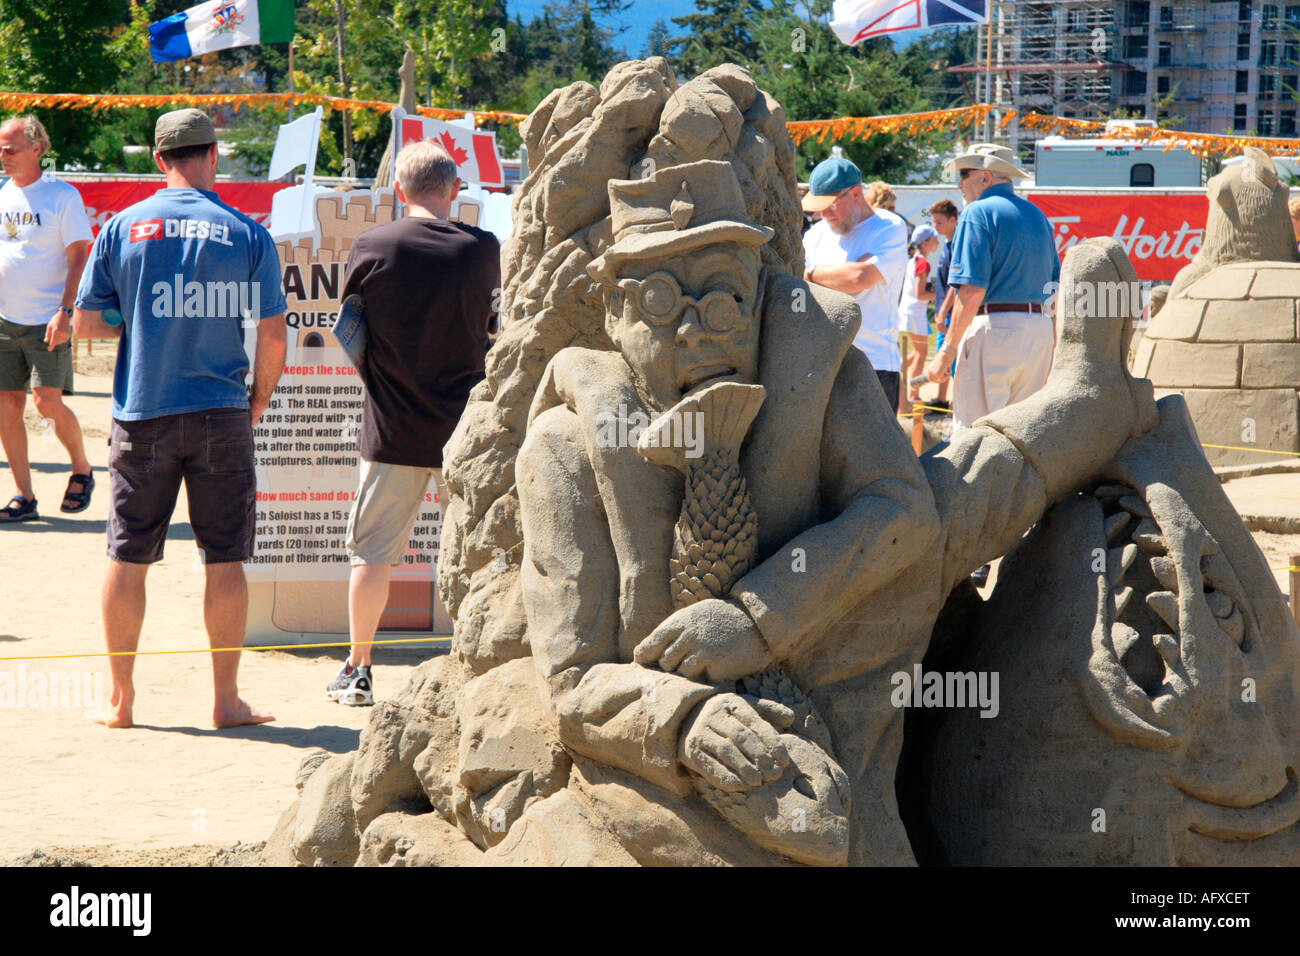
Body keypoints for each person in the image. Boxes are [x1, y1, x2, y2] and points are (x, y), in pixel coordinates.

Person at [72, 108, 288, 728]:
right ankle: (225, 701)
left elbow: (87, 323)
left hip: (143, 410)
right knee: (223, 558)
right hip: (222, 411)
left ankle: (121, 701)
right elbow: (273, 337)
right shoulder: (247, 232)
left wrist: (135, 317)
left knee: (127, 556)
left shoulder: (121, 227)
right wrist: (258, 401)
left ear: (159, 159)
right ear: (214, 154)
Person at [325, 139, 499, 707]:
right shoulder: (482, 249)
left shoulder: (373, 244)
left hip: (391, 428)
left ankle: (358, 669)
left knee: (372, 555)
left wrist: (380, 379)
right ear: (453, 189)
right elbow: (495, 329)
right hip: (465, 432)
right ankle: (473, 669)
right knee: (472, 553)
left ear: (399, 190)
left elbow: (349, 330)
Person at [0, 115, 95, 522]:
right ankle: (24, 497)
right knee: (6, 406)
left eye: (11, 147)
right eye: (1, 148)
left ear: (37, 148)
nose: (4, 155)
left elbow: (79, 256)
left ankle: (82, 469)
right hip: (5, 320)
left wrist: (66, 310)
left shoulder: (62, 196)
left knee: (47, 403)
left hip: (48, 319)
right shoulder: (3, 195)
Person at [926, 143, 1059, 430]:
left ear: (985, 177)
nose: (960, 183)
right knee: (1023, 437)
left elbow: (971, 291)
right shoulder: (1038, 216)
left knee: (976, 437)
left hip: (995, 330)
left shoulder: (977, 212)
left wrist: (946, 351)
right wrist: (1053, 345)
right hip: (1039, 332)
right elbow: (1055, 292)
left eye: (964, 173)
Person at [801, 156, 908, 409]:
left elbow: (859, 277)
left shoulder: (889, 226)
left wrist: (812, 275)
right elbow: (798, 283)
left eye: (831, 205)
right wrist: (840, 275)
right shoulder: (816, 234)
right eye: (820, 207)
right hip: (823, 363)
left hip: (874, 364)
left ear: (855, 194)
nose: (824, 213)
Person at [897, 224, 939, 414]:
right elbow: (920, 293)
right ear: (926, 242)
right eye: (934, 238)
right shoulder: (923, 262)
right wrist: (942, 296)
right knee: (921, 354)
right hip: (914, 312)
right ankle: (912, 398)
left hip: (910, 311)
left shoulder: (914, 260)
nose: (937, 242)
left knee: (915, 354)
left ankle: (898, 385)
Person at [927, 198, 961, 411]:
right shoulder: (948, 245)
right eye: (933, 222)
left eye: (939, 222)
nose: (935, 227)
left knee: (951, 360)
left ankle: (958, 404)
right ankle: (942, 400)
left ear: (952, 220)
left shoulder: (957, 245)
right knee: (945, 360)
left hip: (950, 314)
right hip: (945, 311)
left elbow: (955, 284)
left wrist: (942, 312)